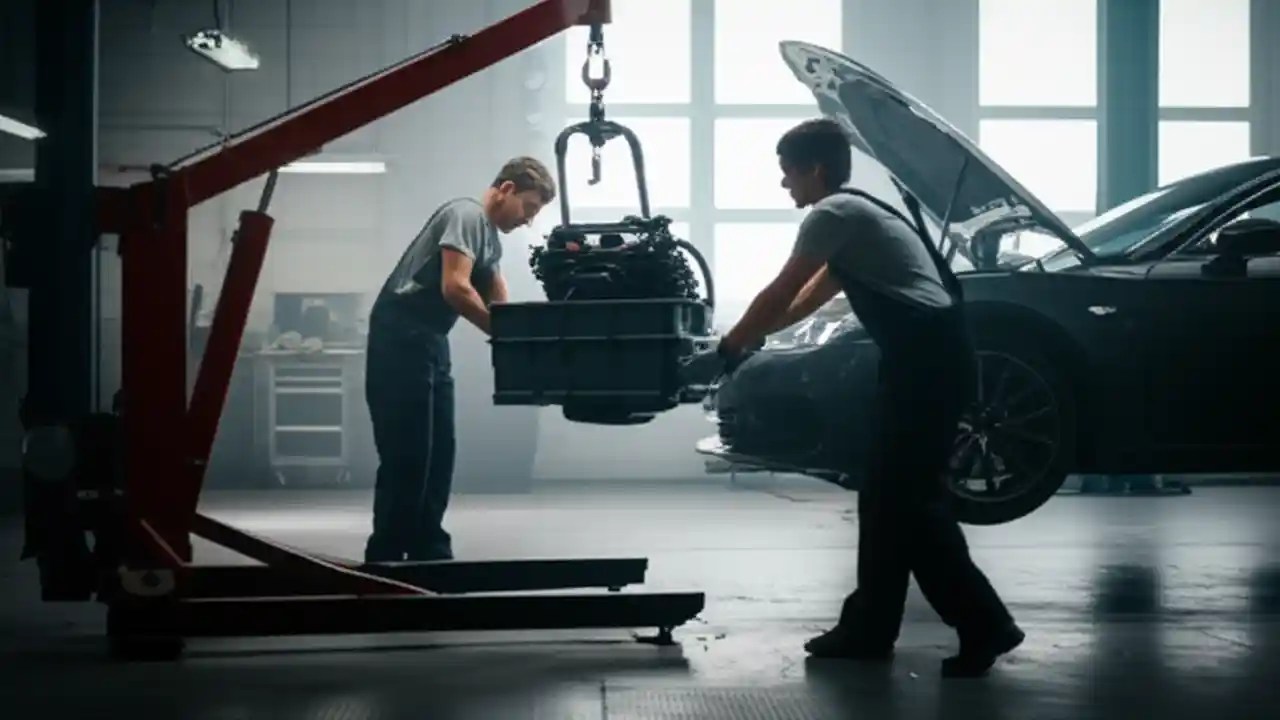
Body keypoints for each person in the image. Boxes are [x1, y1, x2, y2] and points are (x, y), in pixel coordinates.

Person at [706, 118, 1023, 677]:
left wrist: (729, 345)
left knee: (911, 505)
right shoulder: (859, 216)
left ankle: (985, 624)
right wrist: (753, 340)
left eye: (787, 174)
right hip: (925, 367)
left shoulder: (833, 214)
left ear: (815, 170)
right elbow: (808, 296)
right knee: (884, 500)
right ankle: (870, 629)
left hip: (927, 369)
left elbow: (782, 287)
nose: (785, 186)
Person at [363, 156, 556, 563]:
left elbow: (500, 306)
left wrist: (528, 343)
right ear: (506, 190)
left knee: (440, 453)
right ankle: (386, 554)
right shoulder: (466, 214)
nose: (528, 220)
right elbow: (456, 289)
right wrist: (504, 337)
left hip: (431, 341)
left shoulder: (491, 241)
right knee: (408, 454)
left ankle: (427, 546)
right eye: (529, 208)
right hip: (399, 338)